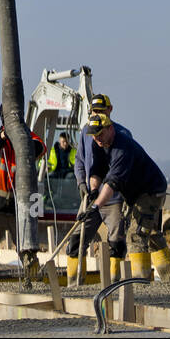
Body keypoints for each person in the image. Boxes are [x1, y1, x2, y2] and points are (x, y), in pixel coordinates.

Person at [87, 115, 170, 283]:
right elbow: (97, 169)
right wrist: (93, 191)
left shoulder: (122, 148)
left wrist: (96, 206)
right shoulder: (98, 144)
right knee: (151, 234)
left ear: (110, 129)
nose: (97, 139)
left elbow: (111, 183)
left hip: (150, 191)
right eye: (94, 135)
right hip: (136, 193)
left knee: (136, 235)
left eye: (100, 134)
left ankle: (140, 285)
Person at [67, 98, 127, 282]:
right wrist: (81, 183)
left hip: (113, 200)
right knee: (76, 241)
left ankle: (115, 284)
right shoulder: (86, 131)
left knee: (116, 242)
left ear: (110, 109)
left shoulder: (121, 134)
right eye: (94, 111)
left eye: (101, 110)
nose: (97, 114)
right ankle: (74, 285)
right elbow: (79, 160)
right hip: (90, 198)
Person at [0, 108, 45, 269]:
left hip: (20, 208)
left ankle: (33, 282)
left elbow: (40, 147)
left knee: (28, 250)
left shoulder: (30, 138)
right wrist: (5, 134)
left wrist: (22, 138)